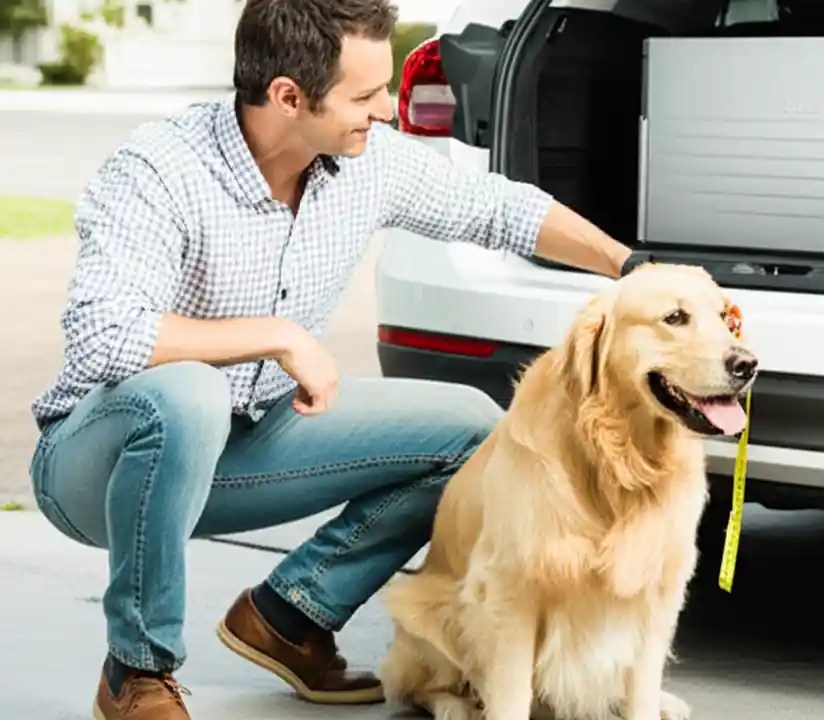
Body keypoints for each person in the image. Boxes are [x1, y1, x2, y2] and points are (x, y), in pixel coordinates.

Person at [25, 1, 635, 718]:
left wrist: (634, 267)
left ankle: (291, 615)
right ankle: (136, 671)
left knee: (474, 431)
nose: (386, 112)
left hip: (242, 445)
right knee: (190, 394)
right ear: (288, 96)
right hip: (99, 462)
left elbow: (499, 210)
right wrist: (279, 335)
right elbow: (103, 335)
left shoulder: (366, 163)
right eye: (366, 94)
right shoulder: (159, 168)